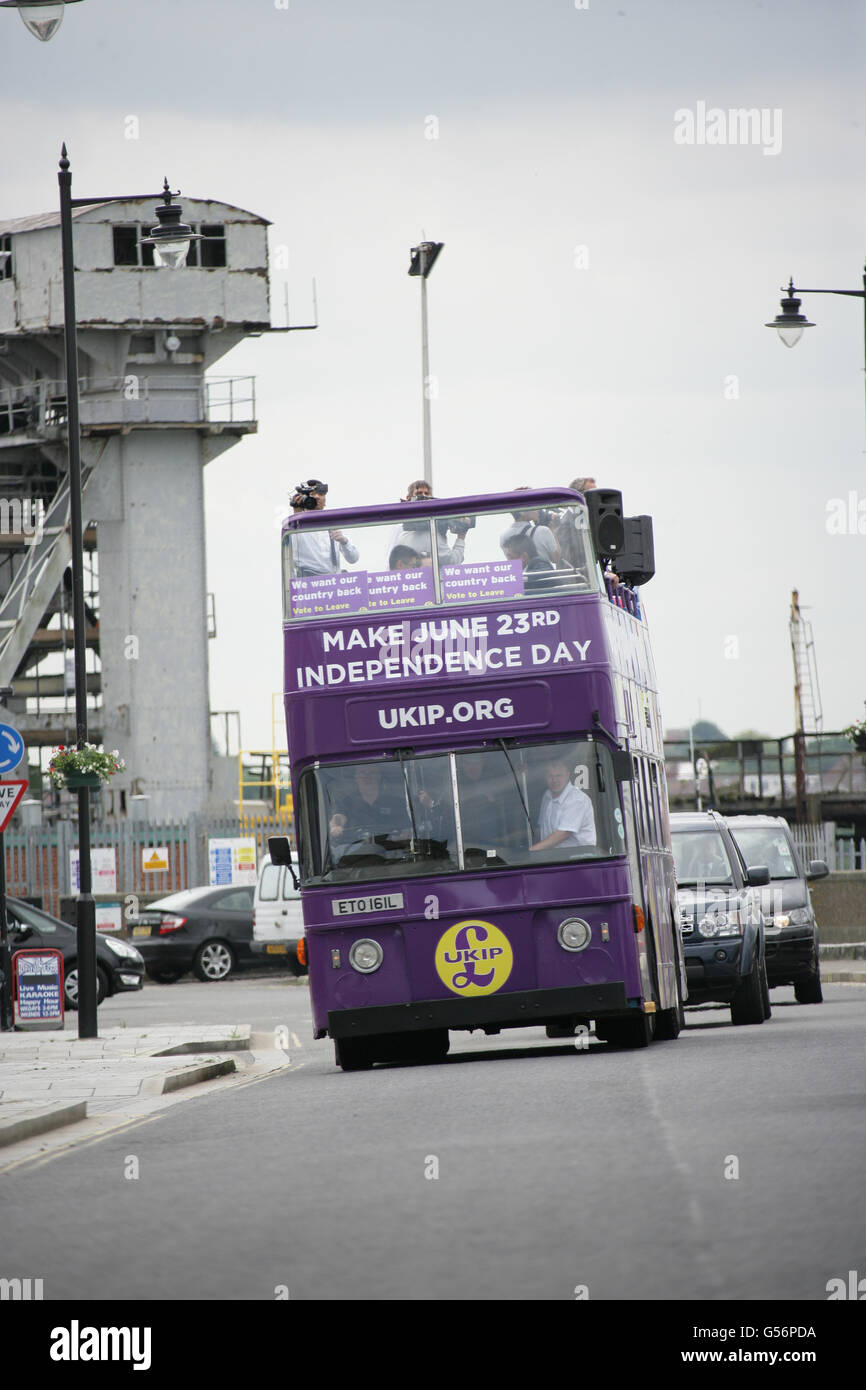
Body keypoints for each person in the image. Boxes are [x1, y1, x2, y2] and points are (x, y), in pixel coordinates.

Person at [328, 764, 413, 854]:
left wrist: (401, 836)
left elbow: (406, 830)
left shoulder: (395, 802)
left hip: (391, 853)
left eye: (372, 773)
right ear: (356, 777)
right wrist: (336, 827)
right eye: (362, 773)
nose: (367, 777)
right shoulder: (346, 803)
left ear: (379, 776)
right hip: (355, 856)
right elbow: (338, 818)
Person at [390, 480, 471, 567]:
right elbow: (452, 561)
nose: (423, 497)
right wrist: (461, 537)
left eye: (427, 494)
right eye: (419, 493)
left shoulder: (433, 529)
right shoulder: (429, 532)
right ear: (408, 498)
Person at [290, 479, 359, 576]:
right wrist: (297, 512)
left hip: (332, 581)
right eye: (313, 494)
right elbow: (291, 544)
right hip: (309, 582)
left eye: (321, 494)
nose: (317, 497)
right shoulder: (297, 526)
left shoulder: (333, 523)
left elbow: (353, 558)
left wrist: (343, 541)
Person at [531, 755, 596, 851]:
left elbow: (562, 834)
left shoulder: (578, 799)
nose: (554, 780)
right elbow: (541, 830)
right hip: (554, 857)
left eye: (559, 776)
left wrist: (532, 851)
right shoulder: (547, 796)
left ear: (568, 775)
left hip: (579, 859)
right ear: (545, 777)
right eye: (550, 776)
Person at [502, 526, 557, 594]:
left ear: (524, 557)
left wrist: (516, 579)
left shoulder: (539, 563)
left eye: (511, 557)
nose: (508, 561)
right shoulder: (528, 568)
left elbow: (544, 574)